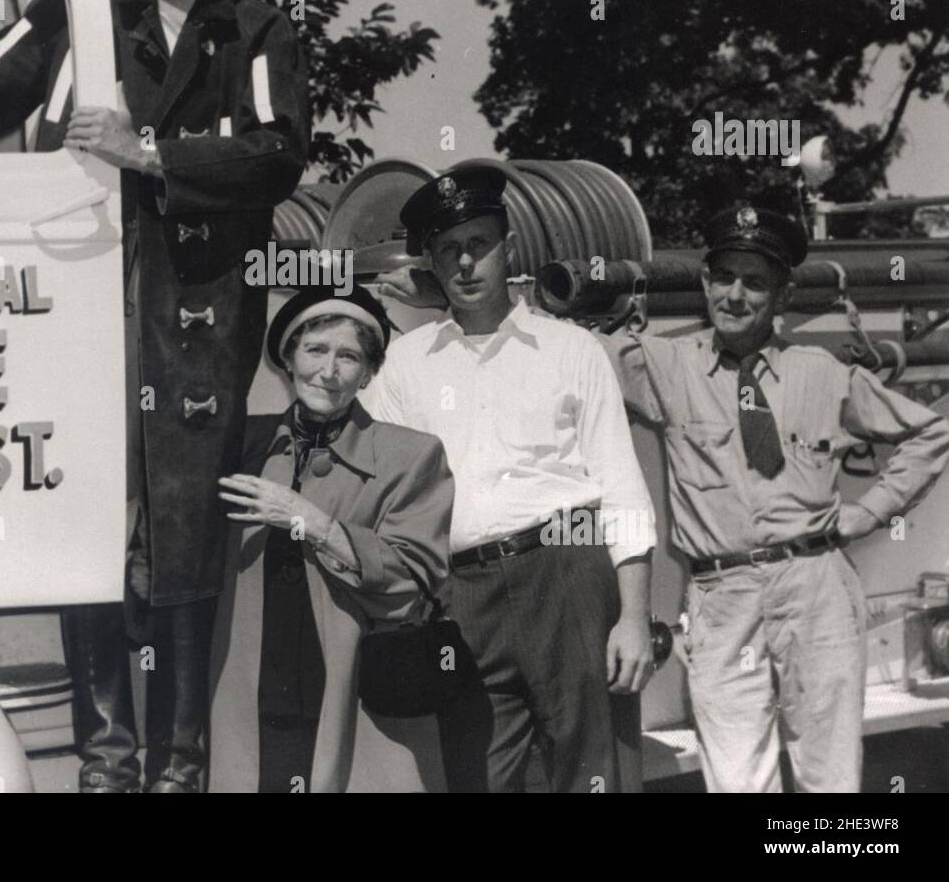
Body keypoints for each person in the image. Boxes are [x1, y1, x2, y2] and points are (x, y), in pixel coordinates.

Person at [0, 0, 310, 792]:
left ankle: (181, 763)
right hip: (91, 299)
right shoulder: (75, 17)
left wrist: (150, 154)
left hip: (202, 301)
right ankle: (105, 761)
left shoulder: (255, 27)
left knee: (183, 519)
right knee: (92, 515)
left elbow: (277, 152)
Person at [603, 205, 949, 792]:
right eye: (724, 278)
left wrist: (867, 512)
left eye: (756, 282)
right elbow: (568, 358)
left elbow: (931, 430)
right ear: (706, 284)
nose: (735, 295)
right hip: (722, 598)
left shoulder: (822, 372)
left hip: (816, 590)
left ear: (780, 296)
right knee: (738, 781)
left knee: (830, 781)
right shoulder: (661, 365)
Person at [362, 167, 657, 793]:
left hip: (569, 575)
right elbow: (375, 482)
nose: (466, 263)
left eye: (479, 244)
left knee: (593, 771)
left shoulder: (571, 349)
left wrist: (634, 616)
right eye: (448, 250)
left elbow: (622, 488)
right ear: (432, 266)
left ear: (509, 247)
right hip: (462, 598)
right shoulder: (404, 368)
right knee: (482, 778)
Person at [207, 284, 453, 792]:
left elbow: (416, 584)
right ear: (288, 359)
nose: (329, 370)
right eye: (315, 350)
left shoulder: (410, 456)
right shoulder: (240, 447)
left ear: (368, 372)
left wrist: (313, 521)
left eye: (349, 356)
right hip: (249, 695)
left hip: (352, 694)